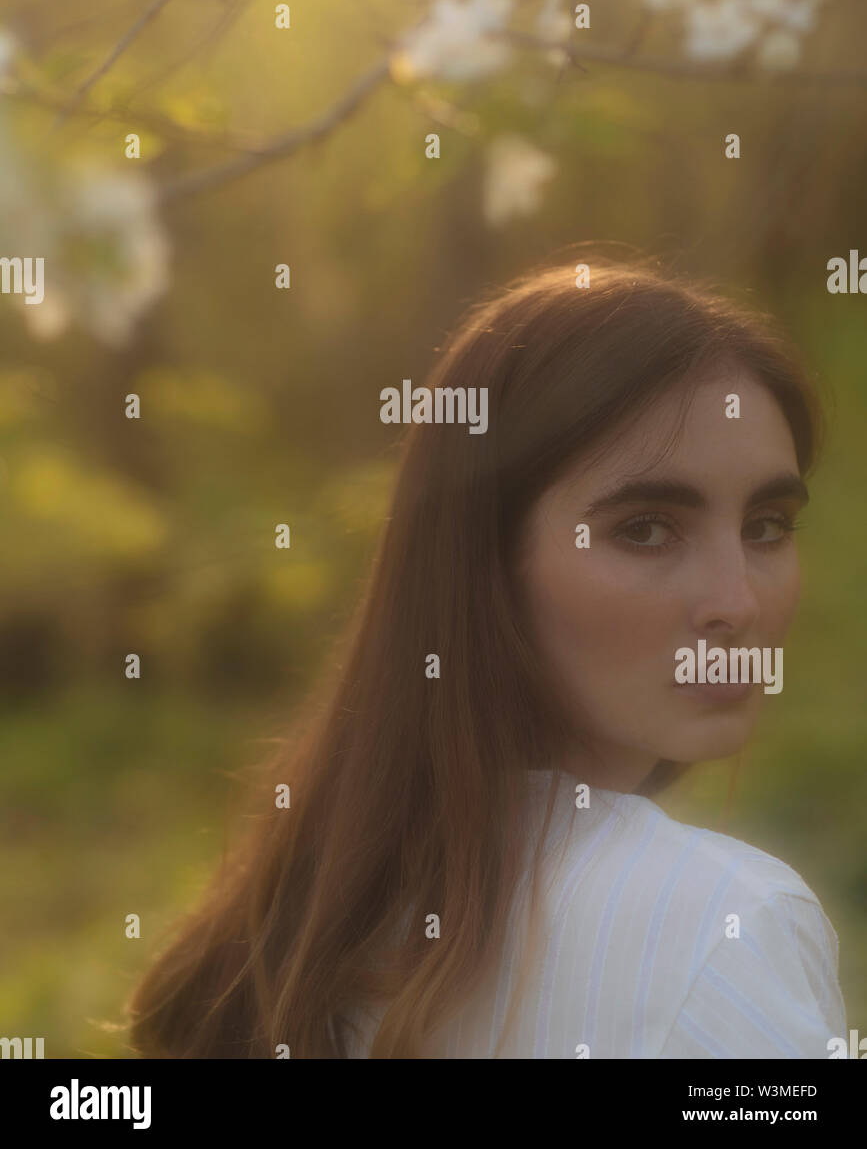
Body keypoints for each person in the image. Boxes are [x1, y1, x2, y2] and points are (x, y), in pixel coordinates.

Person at [127, 256, 847, 1058]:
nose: (738, 601)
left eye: (767, 526)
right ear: (482, 560)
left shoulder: (298, 922)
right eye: (645, 529)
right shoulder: (722, 927)